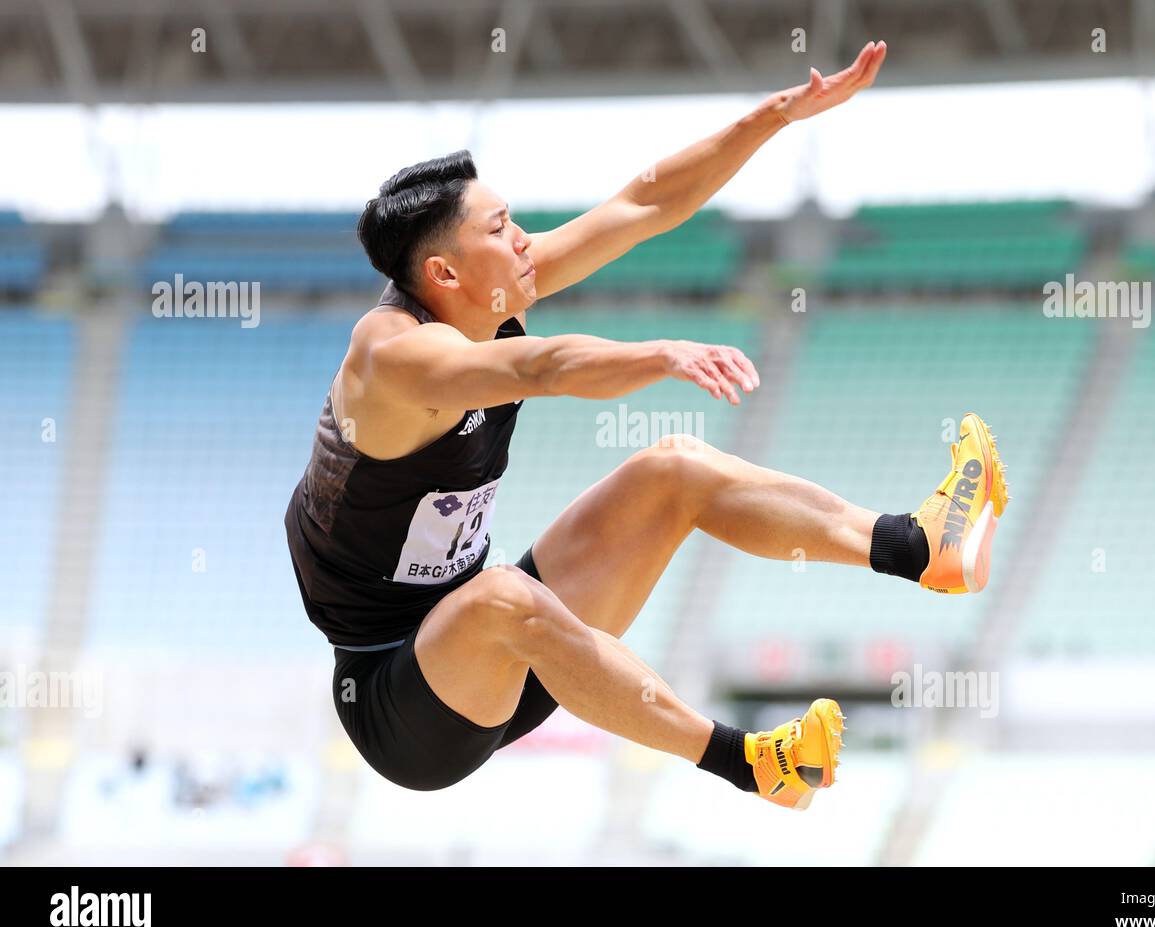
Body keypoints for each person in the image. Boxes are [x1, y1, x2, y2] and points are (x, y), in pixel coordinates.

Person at [285, 40, 1007, 810]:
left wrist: (776, 116)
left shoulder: (491, 297)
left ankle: (919, 547)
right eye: (500, 229)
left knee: (676, 469)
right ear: (445, 274)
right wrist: (659, 353)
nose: (525, 238)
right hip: (402, 705)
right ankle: (752, 761)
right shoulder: (391, 357)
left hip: (514, 660)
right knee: (501, 596)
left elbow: (643, 204)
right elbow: (539, 368)